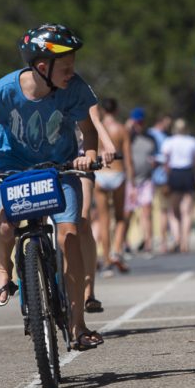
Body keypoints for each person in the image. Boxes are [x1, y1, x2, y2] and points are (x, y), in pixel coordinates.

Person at [0, 23, 103, 351]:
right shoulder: (6, 90)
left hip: (59, 168)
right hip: (14, 170)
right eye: (65, 67)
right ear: (42, 67)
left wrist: (89, 155)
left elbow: (88, 128)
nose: (72, 73)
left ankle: (78, 325)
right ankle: (3, 269)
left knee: (69, 235)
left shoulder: (73, 88)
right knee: (7, 227)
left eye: (73, 66)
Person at [79, 105, 117, 314]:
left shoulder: (78, 91)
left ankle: (88, 292)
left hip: (80, 157)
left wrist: (107, 145)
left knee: (83, 220)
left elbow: (94, 119)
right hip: (46, 157)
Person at [94, 98, 134, 273]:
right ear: (116, 111)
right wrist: (132, 182)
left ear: (103, 111)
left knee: (103, 219)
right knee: (120, 217)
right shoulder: (122, 129)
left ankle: (106, 258)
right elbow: (128, 158)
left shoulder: (97, 128)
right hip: (117, 174)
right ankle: (117, 250)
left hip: (100, 175)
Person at [161, 118, 195, 253]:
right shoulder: (192, 141)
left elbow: (166, 163)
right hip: (188, 174)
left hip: (175, 174)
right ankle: (185, 243)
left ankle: (177, 238)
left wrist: (167, 180)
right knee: (186, 211)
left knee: (173, 210)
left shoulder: (169, 141)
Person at [125, 107, 158, 253]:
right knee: (128, 213)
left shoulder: (150, 138)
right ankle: (124, 242)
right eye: (136, 122)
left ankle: (148, 242)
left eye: (141, 122)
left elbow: (156, 155)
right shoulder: (127, 137)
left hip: (146, 180)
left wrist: (154, 163)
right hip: (130, 180)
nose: (139, 125)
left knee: (146, 211)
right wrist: (128, 127)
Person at [148, 115, 172, 252]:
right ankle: (159, 241)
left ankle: (158, 240)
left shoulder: (151, 134)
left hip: (154, 177)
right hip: (158, 177)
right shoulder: (158, 136)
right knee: (162, 210)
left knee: (158, 210)